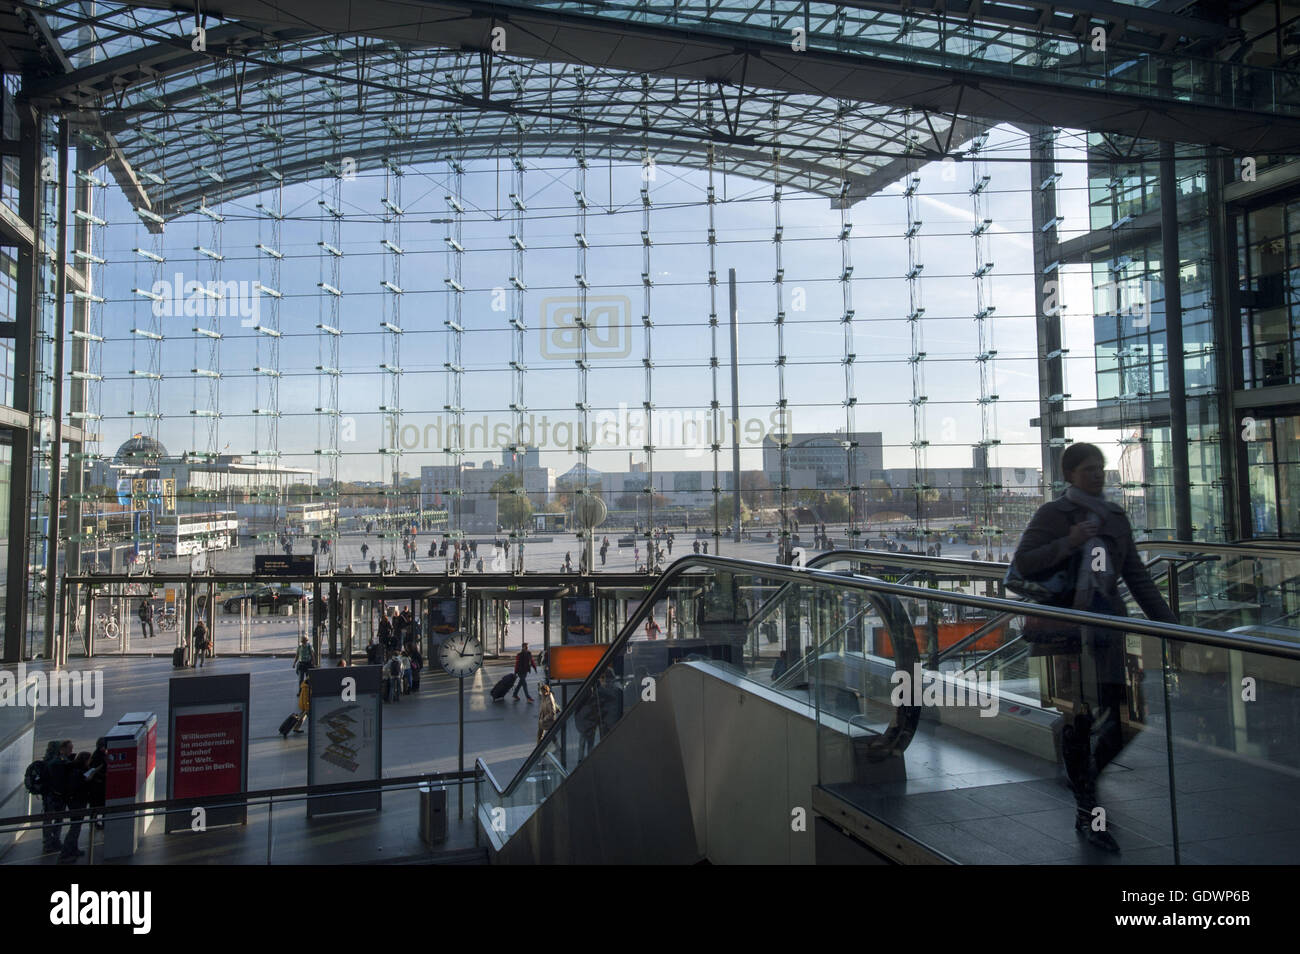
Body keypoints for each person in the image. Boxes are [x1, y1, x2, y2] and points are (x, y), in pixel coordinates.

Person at [1011, 442, 1176, 855]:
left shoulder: (1115, 519)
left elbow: (1137, 577)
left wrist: (1171, 627)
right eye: (1088, 470)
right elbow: (1023, 564)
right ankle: (1088, 811)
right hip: (1063, 631)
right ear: (1069, 476)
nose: (1098, 476)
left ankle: (1084, 775)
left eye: (1100, 469)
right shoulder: (1053, 515)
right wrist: (1068, 542)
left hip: (1107, 629)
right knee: (1078, 720)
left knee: (1127, 719)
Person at [57, 751, 93, 861]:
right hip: (77, 802)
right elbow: (77, 787)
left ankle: (73, 849)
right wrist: (86, 780)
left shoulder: (75, 769)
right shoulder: (77, 772)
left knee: (76, 827)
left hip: (76, 801)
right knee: (75, 827)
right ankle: (65, 854)